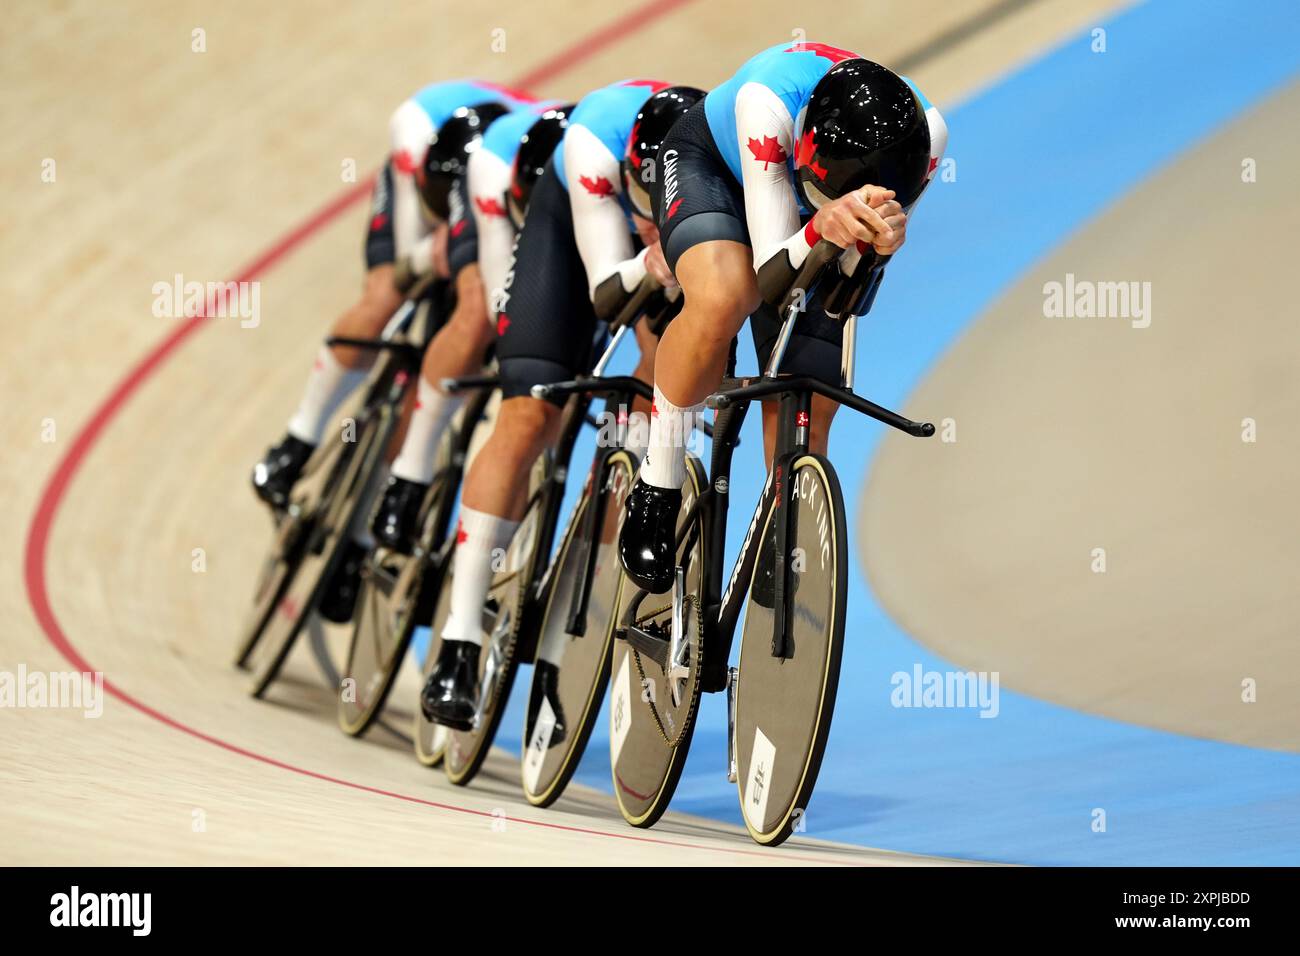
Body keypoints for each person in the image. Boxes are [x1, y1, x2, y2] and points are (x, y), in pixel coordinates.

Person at [418, 80, 705, 731]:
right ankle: (460, 642)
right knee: (529, 411)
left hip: (674, 226)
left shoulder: (713, 171)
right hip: (573, 226)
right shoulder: (592, 150)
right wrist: (648, 264)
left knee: (662, 375)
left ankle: (599, 567)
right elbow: (608, 291)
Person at [617, 44, 947, 594]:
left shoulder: (926, 139)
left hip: (804, 201)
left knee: (811, 384)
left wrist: (877, 251)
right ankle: (658, 479)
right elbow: (771, 279)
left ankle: (781, 526)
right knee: (726, 295)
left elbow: (846, 299)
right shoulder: (765, 103)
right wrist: (820, 227)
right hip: (715, 168)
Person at [249, 80, 532, 621]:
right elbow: (408, 259)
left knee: (444, 362)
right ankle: (296, 441)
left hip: (490, 208)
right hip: (431, 198)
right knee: (386, 294)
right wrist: (432, 256)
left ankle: (359, 536)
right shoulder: (416, 131)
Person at [370, 101, 573, 551]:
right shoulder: (492, 168)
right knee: (479, 308)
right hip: (488, 182)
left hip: (558, 209)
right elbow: (500, 298)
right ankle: (410, 476)